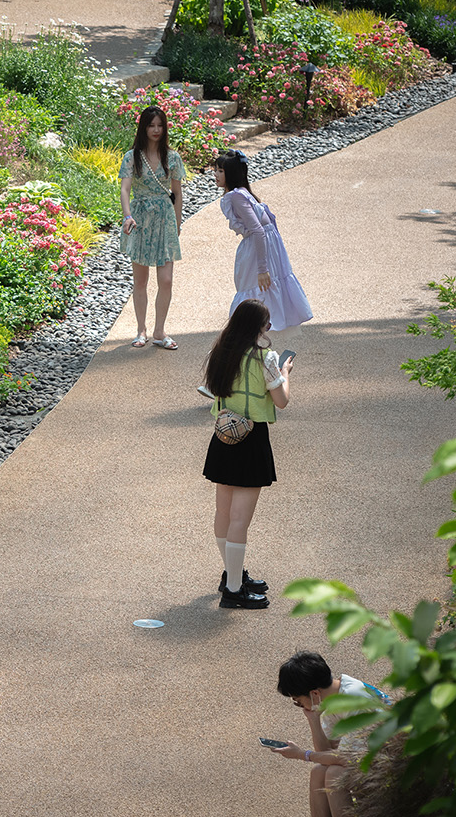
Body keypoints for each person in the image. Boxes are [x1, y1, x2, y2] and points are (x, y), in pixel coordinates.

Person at [268, 651, 391, 817]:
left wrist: (302, 754)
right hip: (371, 761)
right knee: (319, 771)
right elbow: (326, 753)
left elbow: (346, 759)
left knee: (335, 773)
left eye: (298, 700)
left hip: (395, 767)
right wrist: (313, 719)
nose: (299, 705)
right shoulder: (333, 699)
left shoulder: (354, 699)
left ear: (314, 693)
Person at [202, 299, 293, 608]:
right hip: (251, 439)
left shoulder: (220, 352)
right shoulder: (267, 358)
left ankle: (232, 574)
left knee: (224, 514)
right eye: (267, 324)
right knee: (240, 519)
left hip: (223, 436)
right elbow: (281, 401)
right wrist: (284, 373)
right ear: (260, 327)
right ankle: (233, 591)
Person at [214, 149, 313, 332]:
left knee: (252, 288)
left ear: (232, 174)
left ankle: (247, 332)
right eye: (216, 170)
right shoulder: (243, 193)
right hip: (267, 247)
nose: (216, 174)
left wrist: (262, 269)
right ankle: (261, 327)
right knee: (263, 290)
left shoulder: (236, 197)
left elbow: (258, 230)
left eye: (220, 171)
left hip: (257, 249)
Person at [119, 106, 185, 350]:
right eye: (151, 125)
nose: (156, 130)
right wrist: (127, 216)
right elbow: (125, 188)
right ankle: (141, 329)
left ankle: (159, 330)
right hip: (140, 219)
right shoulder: (132, 156)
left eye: (160, 125)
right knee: (141, 280)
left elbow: (177, 193)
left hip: (165, 219)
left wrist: (177, 223)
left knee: (166, 280)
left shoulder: (172, 157)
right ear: (143, 128)